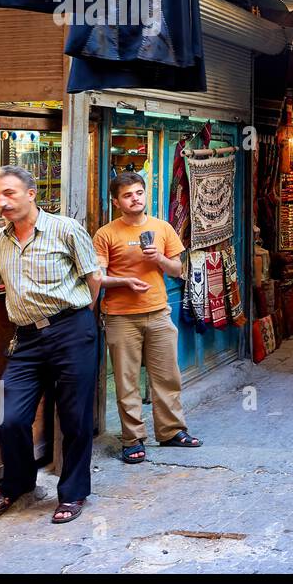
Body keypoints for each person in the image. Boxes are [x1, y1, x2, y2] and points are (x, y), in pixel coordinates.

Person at [0, 166, 102, 525]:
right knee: (6, 416)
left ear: (31, 194)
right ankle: (17, 482)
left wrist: (78, 322)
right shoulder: (0, 239)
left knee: (75, 419)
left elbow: (93, 278)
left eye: (10, 194)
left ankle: (73, 492)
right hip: (27, 338)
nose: (3, 202)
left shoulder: (65, 229)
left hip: (71, 331)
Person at [93, 172, 202, 465]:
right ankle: (133, 439)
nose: (135, 198)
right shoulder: (106, 234)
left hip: (158, 312)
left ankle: (171, 431)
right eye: (128, 195)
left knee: (167, 376)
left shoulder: (162, 228)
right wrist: (125, 281)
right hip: (120, 317)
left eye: (139, 192)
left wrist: (159, 260)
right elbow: (97, 277)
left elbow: (177, 270)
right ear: (117, 202)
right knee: (127, 381)